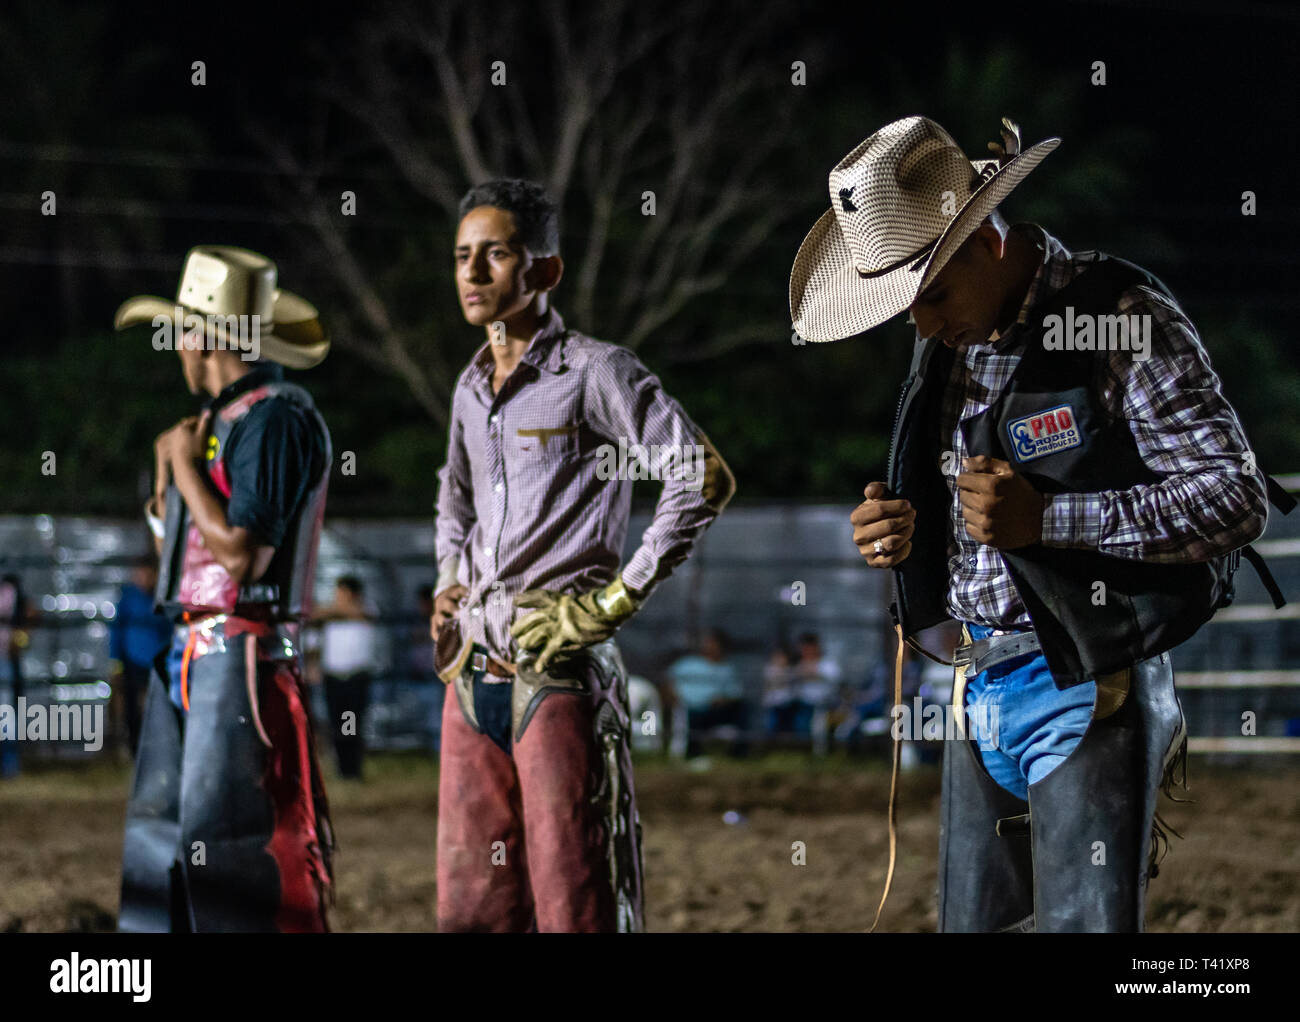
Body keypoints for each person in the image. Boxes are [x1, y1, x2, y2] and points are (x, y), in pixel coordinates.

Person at [790, 116, 1290, 932]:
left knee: (1082, 922)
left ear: (988, 243)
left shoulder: (1120, 314)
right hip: (974, 681)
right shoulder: (953, 339)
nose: (921, 325)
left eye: (933, 294)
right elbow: (975, 511)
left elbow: (1235, 498)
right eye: (905, 305)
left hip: (1089, 676)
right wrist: (903, 530)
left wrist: (1050, 520)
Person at [432, 178, 735, 932]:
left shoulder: (595, 371)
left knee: (578, 898)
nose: (472, 274)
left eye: (494, 255)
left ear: (545, 271)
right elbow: (454, 497)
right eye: (463, 256)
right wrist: (447, 580)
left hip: (560, 675)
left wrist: (614, 600)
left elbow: (702, 476)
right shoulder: (471, 387)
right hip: (472, 677)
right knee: (473, 909)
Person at [113, 245, 336, 932]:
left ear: (200, 336)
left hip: (238, 656)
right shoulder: (222, 425)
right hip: (195, 651)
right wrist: (168, 485)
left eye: (180, 331)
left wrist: (180, 468)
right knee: (163, 840)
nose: (176, 348)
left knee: (232, 840)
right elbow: (193, 558)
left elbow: (243, 559)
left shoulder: (275, 418)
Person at [316, 575, 379, 780]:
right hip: (334, 678)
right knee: (338, 724)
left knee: (350, 723)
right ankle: (344, 767)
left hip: (354, 679)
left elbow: (357, 614)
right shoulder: (332, 614)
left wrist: (333, 611)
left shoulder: (367, 608)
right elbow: (314, 615)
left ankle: (351, 768)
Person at [109, 555, 173, 756]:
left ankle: (160, 746)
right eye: (141, 574)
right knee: (131, 705)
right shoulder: (128, 598)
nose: (144, 578)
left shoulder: (162, 597)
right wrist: (115, 660)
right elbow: (116, 629)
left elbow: (171, 627)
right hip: (133, 660)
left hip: (159, 660)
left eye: (148, 574)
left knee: (159, 703)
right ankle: (133, 746)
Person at [664, 628, 745, 758]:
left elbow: (734, 694)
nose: (709, 646)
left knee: (741, 712)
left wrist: (722, 700)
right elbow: (669, 681)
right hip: (687, 709)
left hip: (713, 711)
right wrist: (673, 697)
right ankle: (692, 754)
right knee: (692, 718)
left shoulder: (727, 669)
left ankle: (739, 754)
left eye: (713, 643)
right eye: (708, 643)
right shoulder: (688, 663)